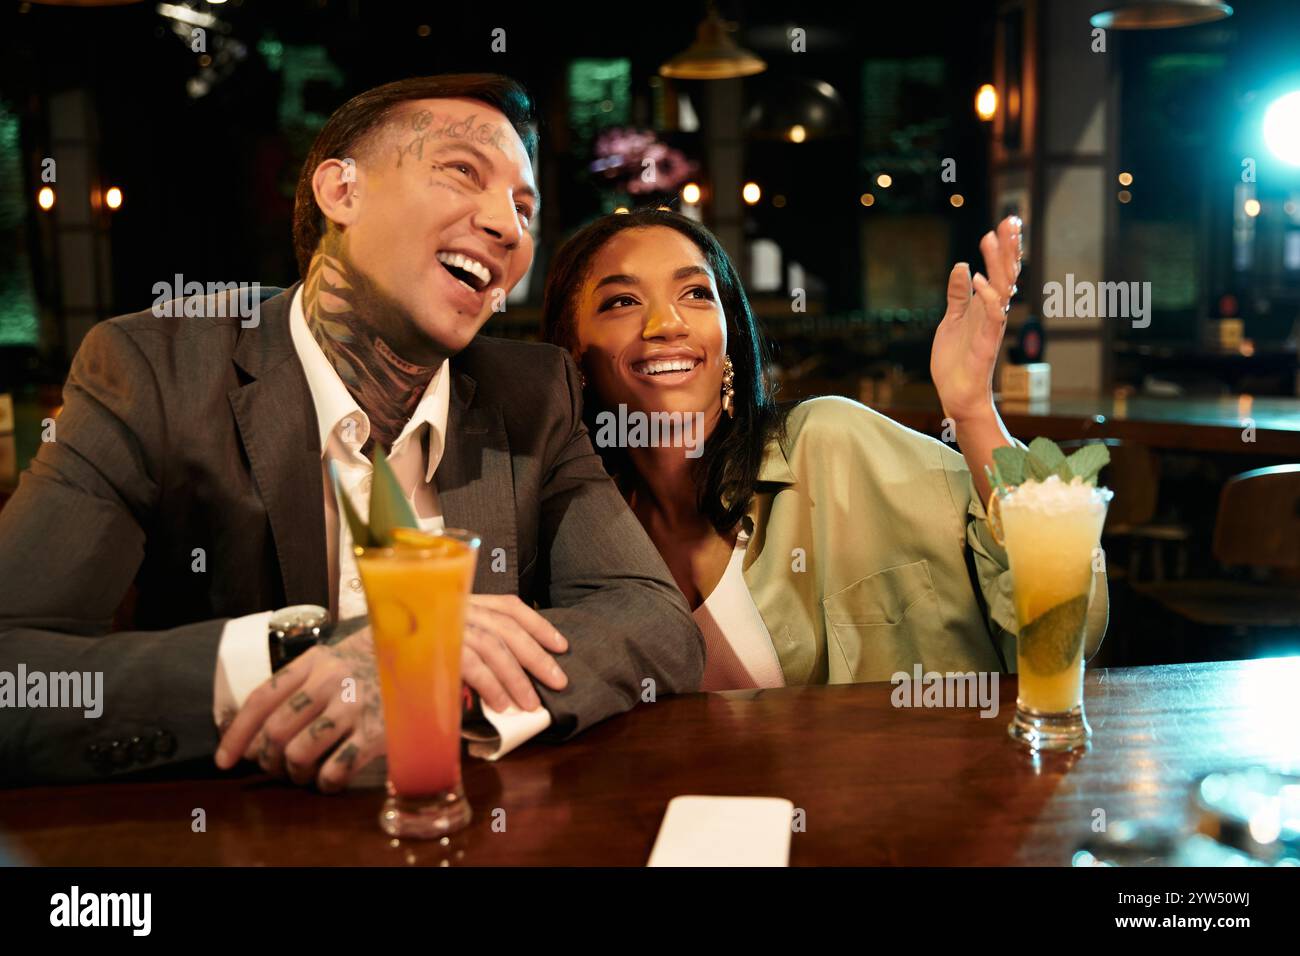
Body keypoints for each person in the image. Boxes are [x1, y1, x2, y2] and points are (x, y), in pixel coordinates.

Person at [0, 75, 703, 788]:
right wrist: (296, 660)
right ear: (341, 192)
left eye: (526, 208)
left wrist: (438, 679)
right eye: (462, 170)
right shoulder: (158, 368)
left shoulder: (535, 395)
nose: (509, 226)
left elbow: (650, 619)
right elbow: (12, 676)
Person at [542, 208, 1108, 690]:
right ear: (572, 354)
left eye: (694, 293)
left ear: (728, 337)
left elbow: (1068, 624)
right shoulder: (572, 529)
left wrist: (973, 412)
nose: (665, 324)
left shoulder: (830, 445)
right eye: (620, 301)